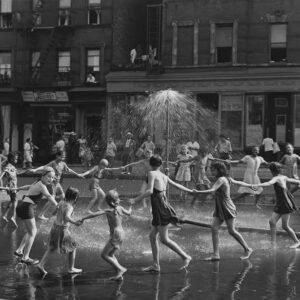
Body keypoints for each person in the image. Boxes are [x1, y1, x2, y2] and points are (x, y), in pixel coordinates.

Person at [130, 155, 192, 272]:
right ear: (160, 165)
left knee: (164, 239)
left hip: (160, 208)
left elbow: (149, 191)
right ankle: (156, 265)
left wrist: (135, 200)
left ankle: (185, 256)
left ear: (150, 164)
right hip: (161, 206)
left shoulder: (152, 174)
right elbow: (177, 185)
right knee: (152, 236)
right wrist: (190, 190)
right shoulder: (163, 175)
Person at [193, 161, 253, 261]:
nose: (211, 172)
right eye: (211, 170)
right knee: (214, 228)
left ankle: (247, 249)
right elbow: (238, 182)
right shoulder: (225, 178)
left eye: (213, 170)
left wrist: (198, 191)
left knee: (231, 231)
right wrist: (249, 185)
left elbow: (213, 190)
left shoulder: (221, 179)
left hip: (227, 207)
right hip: (220, 207)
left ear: (219, 170)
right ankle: (216, 255)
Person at [80, 189, 132, 281]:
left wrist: (83, 218)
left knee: (104, 255)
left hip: (116, 234)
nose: (120, 199)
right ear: (116, 201)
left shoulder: (108, 211)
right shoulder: (120, 208)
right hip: (122, 234)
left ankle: (120, 269)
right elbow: (129, 213)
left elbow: (94, 214)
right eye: (118, 198)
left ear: (109, 202)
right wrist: (131, 206)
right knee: (111, 254)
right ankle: (118, 274)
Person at [14, 166, 58, 265]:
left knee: (30, 231)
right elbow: (49, 196)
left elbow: (28, 186)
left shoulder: (37, 182)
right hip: (27, 207)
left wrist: (18, 188)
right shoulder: (42, 186)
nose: (51, 179)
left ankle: (19, 251)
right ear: (43, 175)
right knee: (32, 232)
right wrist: (58, 206)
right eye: (49, 177)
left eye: (52, 178)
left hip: (24, 205)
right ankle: (25, 258)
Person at [252, 162, 300, 249]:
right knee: (272, 222)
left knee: (285, 226)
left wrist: (256, 185)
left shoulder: (277, 178)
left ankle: (297, 241)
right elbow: (296, 181)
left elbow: (268, 183)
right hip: (280, 203)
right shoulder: (283, 177)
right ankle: (273, 243)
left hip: (285, 204)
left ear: (272, 171)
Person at [36, 187, 83, 276]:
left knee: (51, 247)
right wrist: (75, 223)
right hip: (63, 230)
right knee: (73, 247)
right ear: (75, 197)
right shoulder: (70, 206)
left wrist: (55, 214)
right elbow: (67, 217)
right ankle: (71, 268)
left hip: (54, 228)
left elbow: (54, 212)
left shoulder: (61, 202)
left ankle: (41, 264)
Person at [30, 151, 84, 220]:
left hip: (57, 184)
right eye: (61, 157)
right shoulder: (53, 163)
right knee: (51, 200)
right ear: (57, 156)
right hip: (52, 184)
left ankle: (62, 213)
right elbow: (44, 167)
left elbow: (69, 170)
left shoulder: (63, 164)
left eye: (64, 157)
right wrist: (35, 170)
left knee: (64, 198)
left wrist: (77, 174)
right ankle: (41, 215)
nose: (63, 158)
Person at [0, 152, 24, 227]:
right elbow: (2, 175)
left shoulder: (13, 167)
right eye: (15, 158)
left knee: (12, 201)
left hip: (14, 185)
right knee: (15, 201)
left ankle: (5, 215)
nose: (16, 159)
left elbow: (18, 173)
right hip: (11, 186)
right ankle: (13, 217)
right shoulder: (8, 166)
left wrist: (27, 171)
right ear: (11, 159)